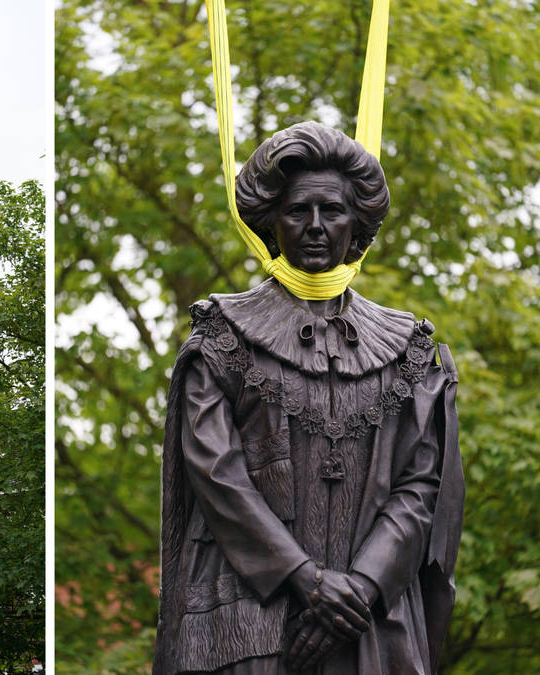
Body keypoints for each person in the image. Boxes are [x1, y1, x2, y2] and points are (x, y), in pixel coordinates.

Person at [154, 122, 464, 674]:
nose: (316, 226)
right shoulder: (221, 338)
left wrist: (362, 586)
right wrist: (304, 579)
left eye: (333, 211)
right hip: (249, 622)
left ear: (357, 222)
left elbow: (421, 485)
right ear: (272, 222)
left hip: (373, 627)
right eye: (298, 211)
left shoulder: (409, 349)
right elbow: (217, 476)